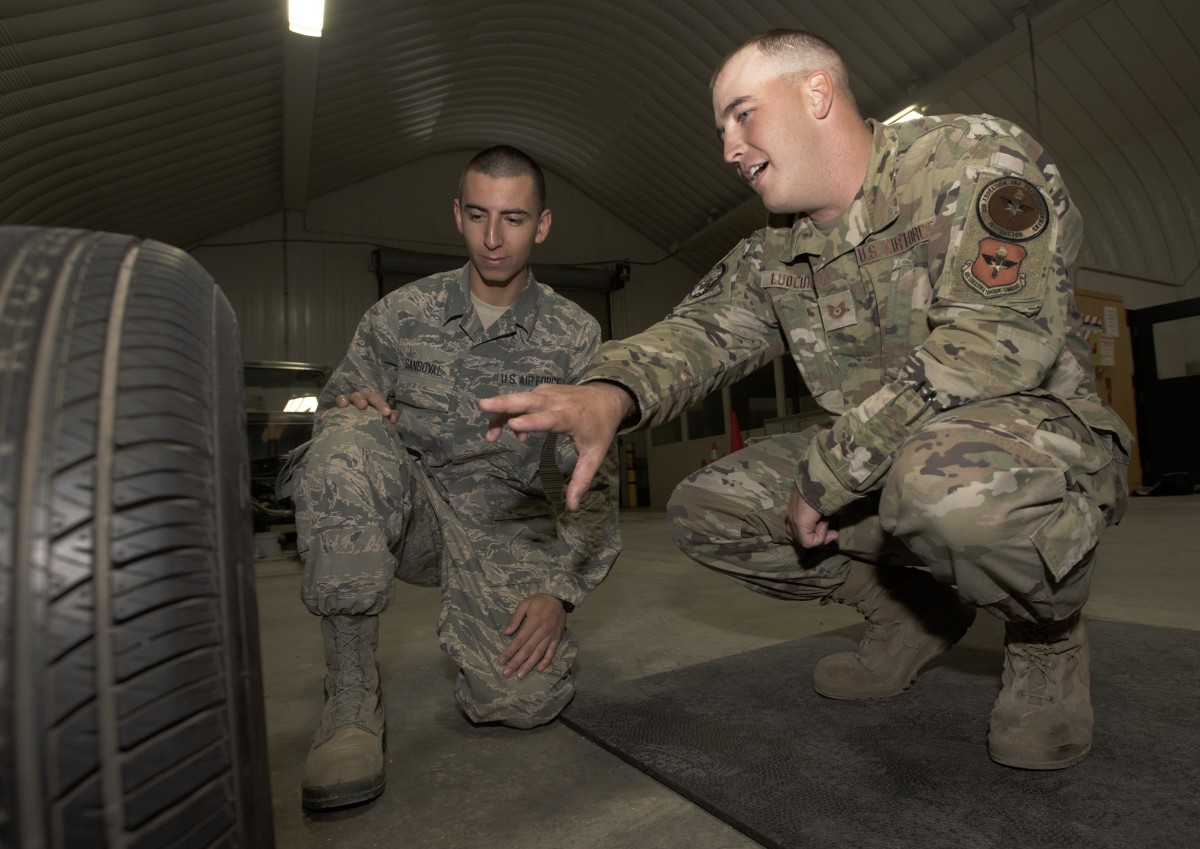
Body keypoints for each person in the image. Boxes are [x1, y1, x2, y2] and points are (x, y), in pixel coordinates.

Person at [480, 31, 1131, 770]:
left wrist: (831, 469)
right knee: (709, 507)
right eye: (720, 128)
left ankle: (1047, 639)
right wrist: (608, 390)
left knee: (944, 485)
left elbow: (994, 342)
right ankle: (911, 616)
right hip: (889, 456)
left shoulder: (969, 161)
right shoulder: (777, 249)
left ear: (817, 94)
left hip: (1033, 444)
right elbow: (699, 332)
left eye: (743, 115)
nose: (729, 147)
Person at [278, 145, 621, 810]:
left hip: (504, 525)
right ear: (457, 214)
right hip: (413, 514)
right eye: (478, 215)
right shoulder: (399, 315)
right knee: (346, 439)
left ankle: (493, 641)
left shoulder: (574, 335)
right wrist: (348, 417)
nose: (494, 238)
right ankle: (350, 697)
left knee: (521, 702)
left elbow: (594, 477)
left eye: (514, 218)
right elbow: (334, 414)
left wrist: (559, 590)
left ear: (542, 225)